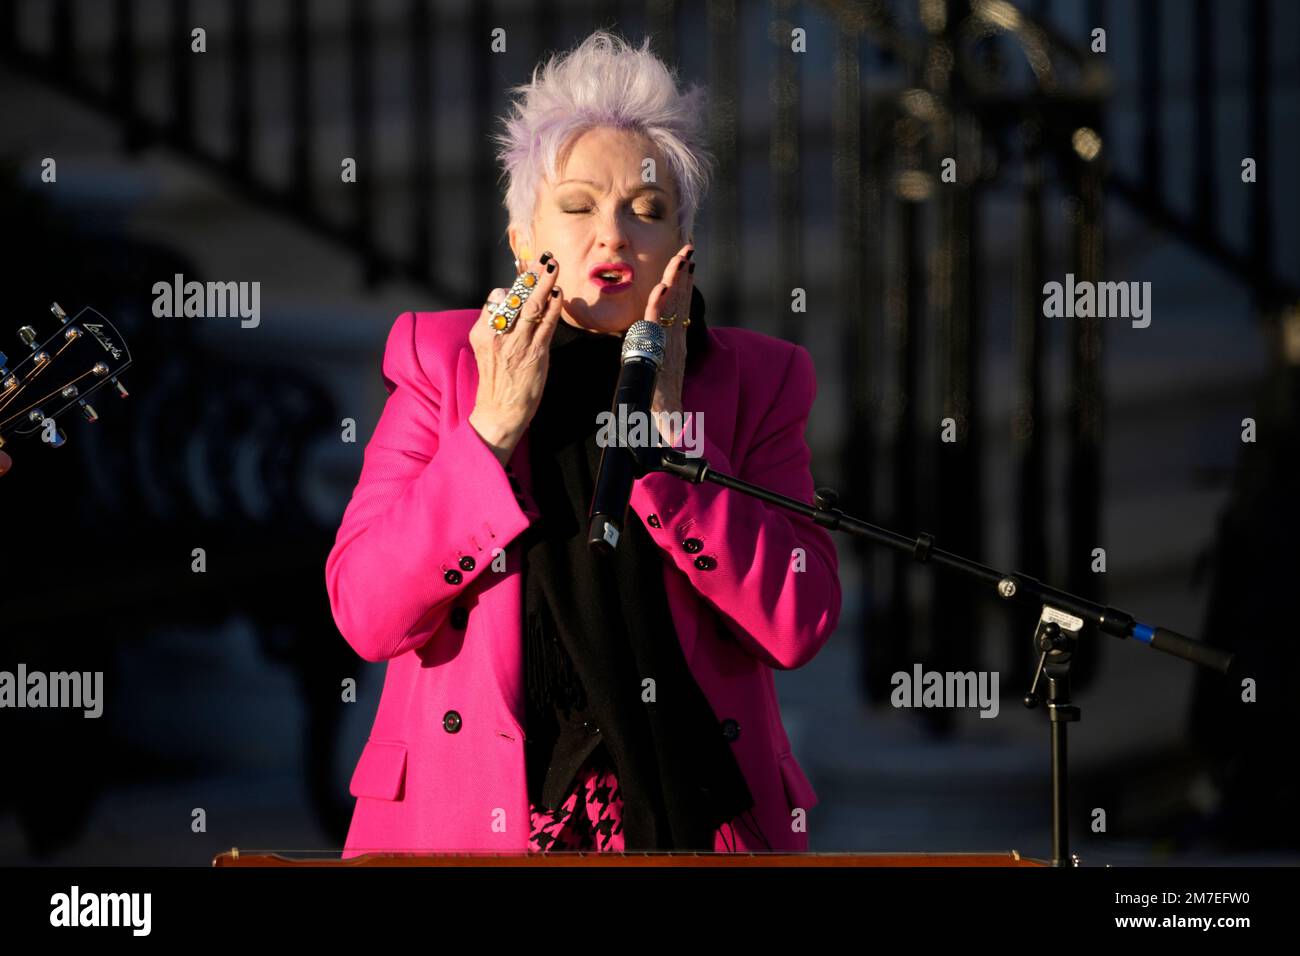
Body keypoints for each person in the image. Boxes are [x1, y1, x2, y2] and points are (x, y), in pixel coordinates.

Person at [326, 30, 840, 858]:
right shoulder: (442, 363)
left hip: (690, 826)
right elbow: (365, 611)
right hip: (478, 826)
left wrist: (672, 432)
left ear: (681, 244)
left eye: (647, 209)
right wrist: (489, 430)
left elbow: (798, 620)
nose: (613, 236)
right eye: (577, 206)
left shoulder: (756, 379)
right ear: (524, 237)